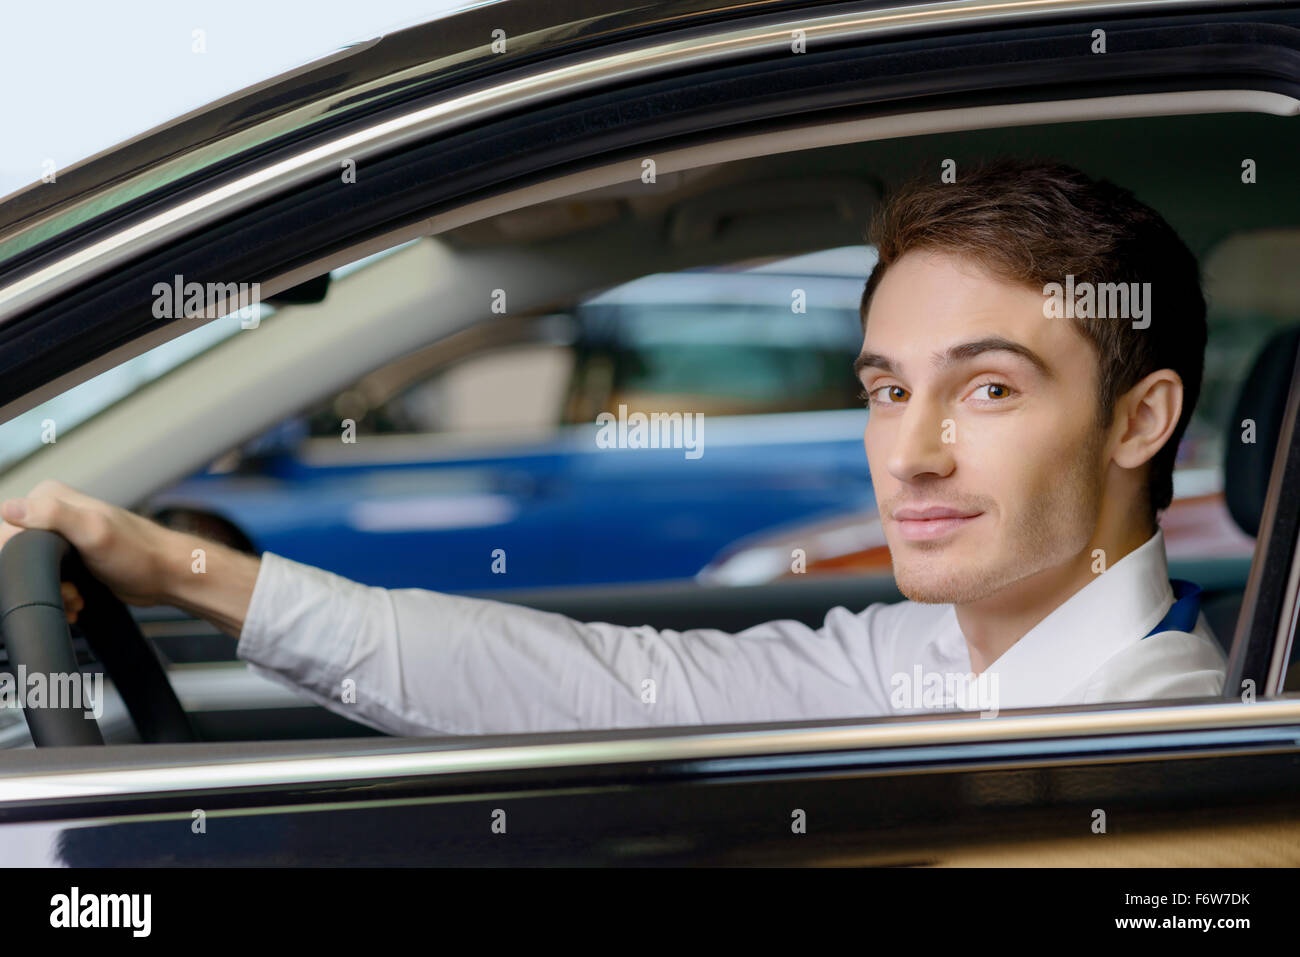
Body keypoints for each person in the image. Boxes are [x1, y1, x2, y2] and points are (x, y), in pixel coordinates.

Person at [0, 159, 1226, 736]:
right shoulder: (921, 654)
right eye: (885, 389)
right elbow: (590, 680)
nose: (909, 453)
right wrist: (170, 570)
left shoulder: (1155, 743)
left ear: (1139, 419)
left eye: (989, 390)